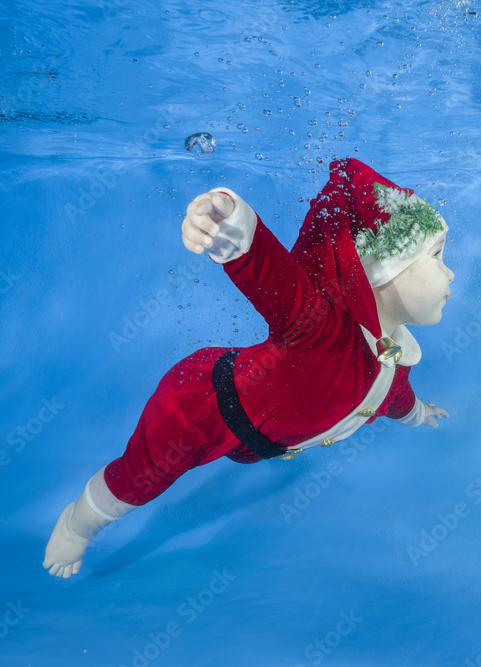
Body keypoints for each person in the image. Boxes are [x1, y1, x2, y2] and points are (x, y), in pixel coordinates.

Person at [43, 158, 454, 578]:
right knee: (140, 479)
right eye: (437, 257)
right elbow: (269, 272)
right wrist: (225, 217)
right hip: (198, 408)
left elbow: (393, 397)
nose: (451, 272)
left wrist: (420, 413)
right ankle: (77, 523)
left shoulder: (392, 358)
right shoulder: (319, 325)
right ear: (383, 273)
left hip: (254, 437)